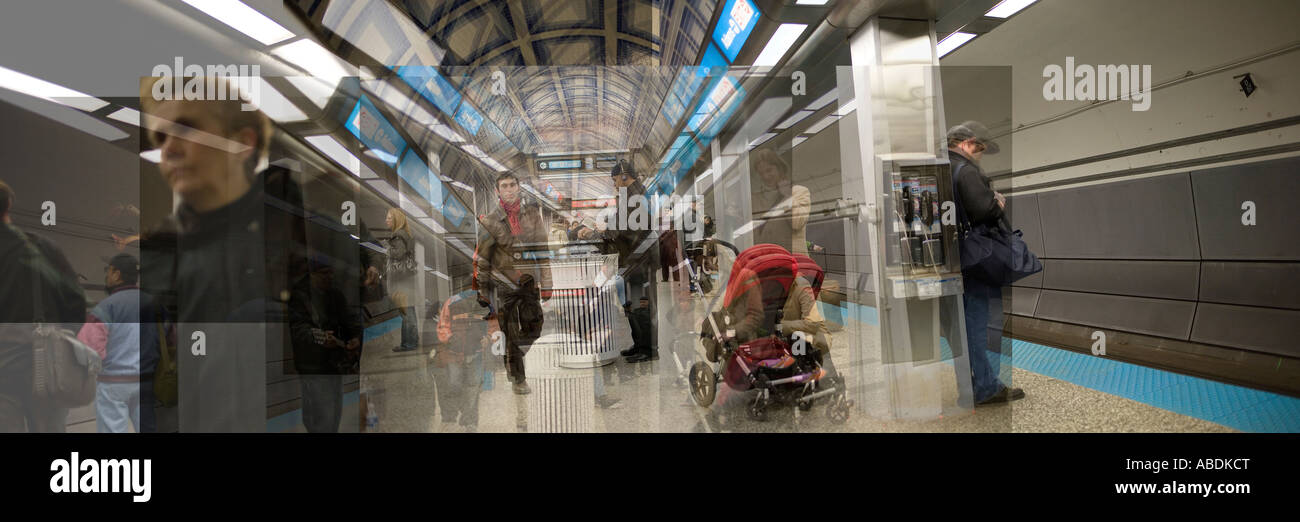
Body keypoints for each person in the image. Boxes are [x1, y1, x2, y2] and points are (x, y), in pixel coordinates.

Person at [137, 77, 362, 431]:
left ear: (242, 143)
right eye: (161, 137)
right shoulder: (170, 247)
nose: (168, 150)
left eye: (186, 129)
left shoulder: (306, 227)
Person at [947, 121, 1024, 406]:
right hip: (974, 261)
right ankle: (986, 388)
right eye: (979, 149)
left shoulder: (943, 169)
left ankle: (969, 386)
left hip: (952, 259)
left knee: (961, 327)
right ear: (967, 143)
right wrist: (997, 203)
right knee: (977, 325)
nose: (979, 154)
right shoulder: (965, 170)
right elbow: (982, 210)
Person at [0, 180, 87, 432]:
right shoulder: (41, 247)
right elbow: (75, 301)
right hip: (45, 364)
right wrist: (61, 338)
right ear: (9, 206)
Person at [475, 172, 553, 394]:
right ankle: (519, 378)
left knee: (534, 325)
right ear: (497, 191)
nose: (509, 190)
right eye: (504, 186)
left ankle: (513, 357)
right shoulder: (490, 220)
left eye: (512, 185)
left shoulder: (532, 215)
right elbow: (483, 258)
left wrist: (547, 283)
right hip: (503, 284)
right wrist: (482, 290)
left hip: (528, 282)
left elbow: (543, 251)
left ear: (519, 188)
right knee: (510, 331)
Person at [572, 160, 658, 363]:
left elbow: (622, 230)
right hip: (633, 261)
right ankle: (640, 345)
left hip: (639, 262)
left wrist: (597, 233)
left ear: (625, 176)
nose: (614, 184)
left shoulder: (634, 198)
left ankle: (648, 349)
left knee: (641, 307)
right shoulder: (632, 197)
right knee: (634, 306)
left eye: (615, 179)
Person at [76, 253, 154, 433]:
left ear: (117, 274)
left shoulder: (107, 307)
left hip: (113, 383)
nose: (107, 276)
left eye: (108, 271)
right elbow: (171, 340)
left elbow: (88, 347)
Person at [288, 254, 362, 433]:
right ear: (312, 274)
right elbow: (298, 328)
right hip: (312, 364)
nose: (329, 277)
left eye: (330, 273)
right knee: (320, 415)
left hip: (333, 362)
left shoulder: (334, 293)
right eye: (324, 273)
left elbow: (348, 320)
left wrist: (355, 337)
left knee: (335, 411)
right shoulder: (300, 296)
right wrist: (320, 337)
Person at [750, 149, 811, 255]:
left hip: (793, 262)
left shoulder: (799, 191)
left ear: (780, 169)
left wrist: (787, 196)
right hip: (766, 261)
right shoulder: (755, 199)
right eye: (761, 173)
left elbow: (797, 223)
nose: (765, 176)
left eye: (769, 170)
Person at [385, 208, 420, 353]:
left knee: (406, 313)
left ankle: (409, 344)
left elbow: (398, 254)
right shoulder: (405, 234)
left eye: (388, 218)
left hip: (402, 280)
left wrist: (387, 247)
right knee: (408, 311)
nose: (386, 220)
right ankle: (411, 341)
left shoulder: (398, 236)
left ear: (396, 220)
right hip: (407, 280)